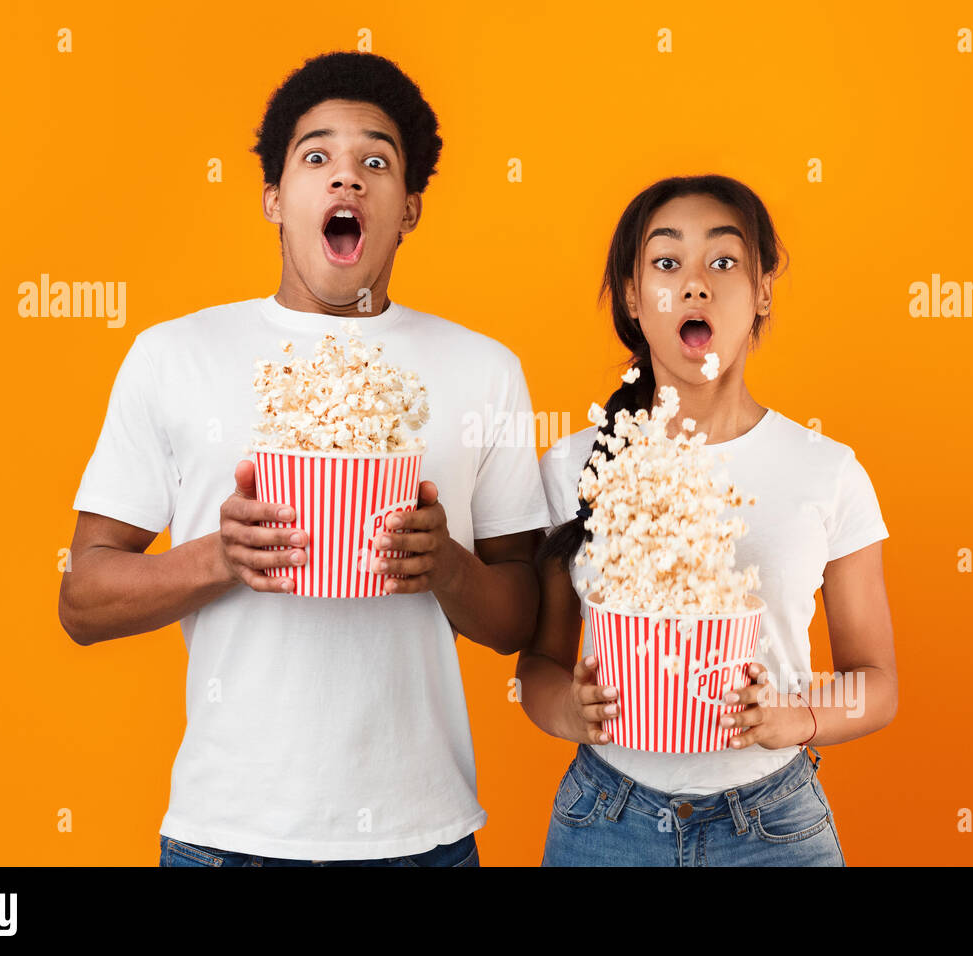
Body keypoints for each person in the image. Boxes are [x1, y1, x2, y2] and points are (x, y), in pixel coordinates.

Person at [59, 51, 550, 867]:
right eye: (316, 157)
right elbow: (83, 598)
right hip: (227, 837)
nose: (346, 181)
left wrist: (447, 567)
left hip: (420, 837)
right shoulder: (175, 356)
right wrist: (222, 557)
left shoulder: (482, 368)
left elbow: (522, 617)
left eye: (376, 163)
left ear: (411, 208)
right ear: (274, 199)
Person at [518, 175, 898, 866]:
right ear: (635, 298)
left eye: (723, 262)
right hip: (607, 819)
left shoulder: (827, 470)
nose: (696, 284)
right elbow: (540, 667)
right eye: (667, 263)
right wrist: (570, 711)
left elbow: (877, 681)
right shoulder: (573, 465)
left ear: (763, 291)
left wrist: (802, 717)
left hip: (773, 825)